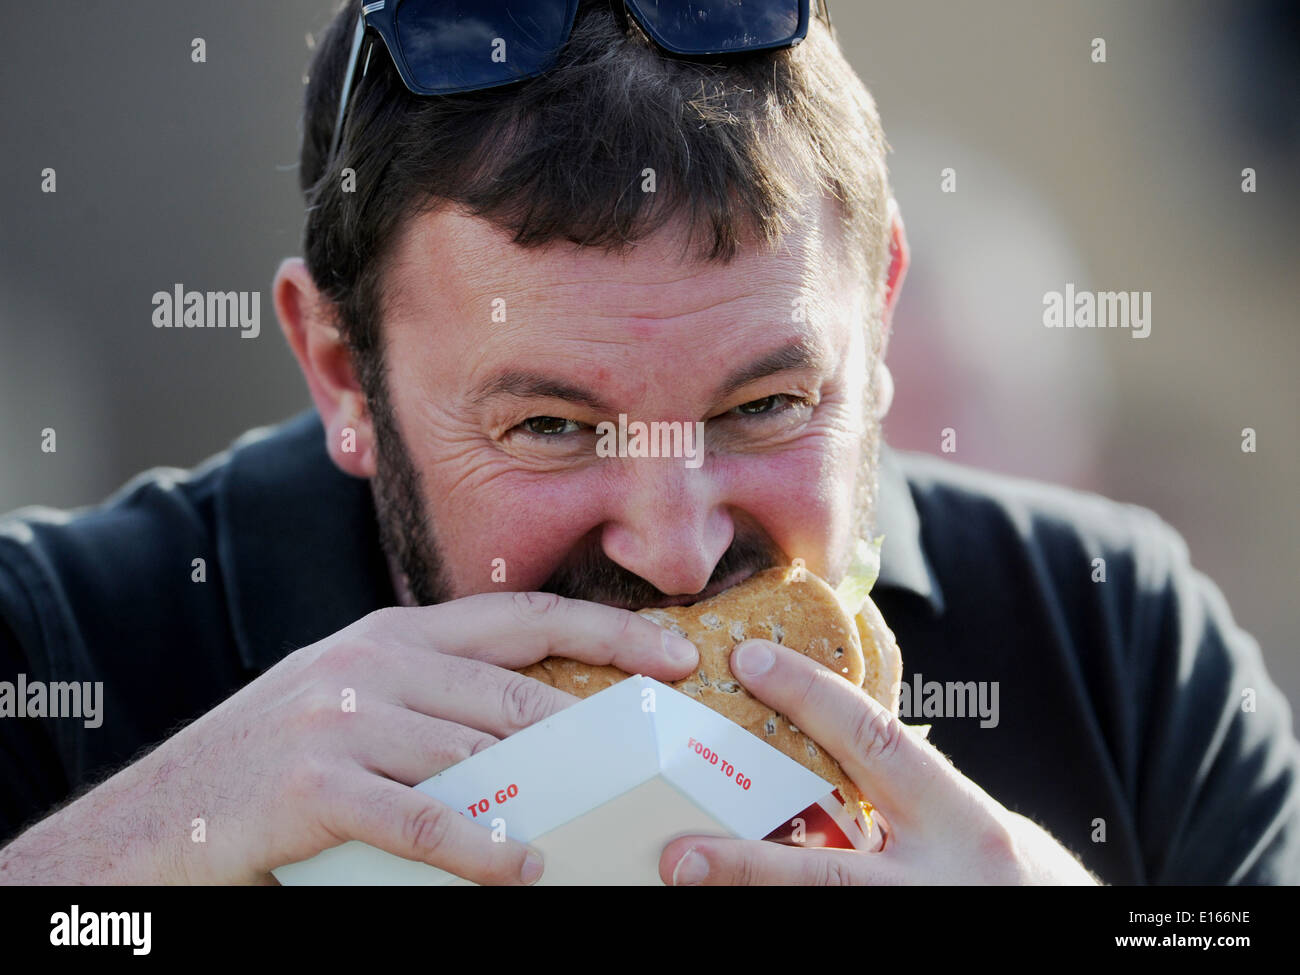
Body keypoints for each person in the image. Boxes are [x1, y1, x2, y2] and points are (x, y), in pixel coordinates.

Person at [1, 0, 1296, 886]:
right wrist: (101, 865)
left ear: (882, 314)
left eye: (765, 407)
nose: (678, 553)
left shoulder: (1112, 639)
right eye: (552, 427)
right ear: (344, 372)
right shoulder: (59, 649)